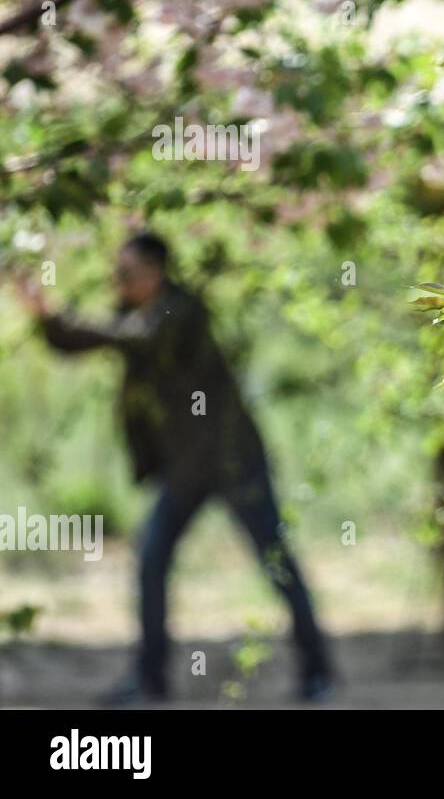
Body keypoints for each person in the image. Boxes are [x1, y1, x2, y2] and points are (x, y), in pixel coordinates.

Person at [15, 232, 334, 706]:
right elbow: (79, 340)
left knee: (275, 561)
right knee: (151, 562)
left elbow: (130, 336)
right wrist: (41, 311)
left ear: (154, 271)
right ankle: (150, 682)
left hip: (232, 461)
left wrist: (61, 314)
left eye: (126, 272)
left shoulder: (179, 311)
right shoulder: (134, 316)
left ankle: (318, 672)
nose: (117, 281)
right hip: (184, 470)